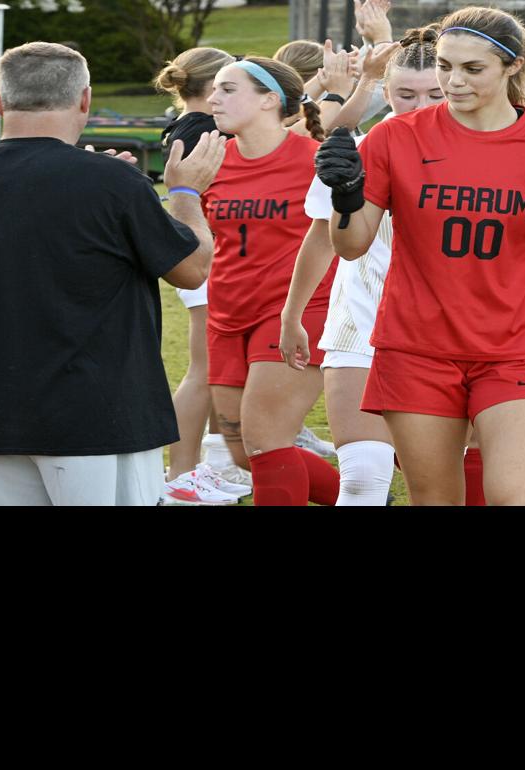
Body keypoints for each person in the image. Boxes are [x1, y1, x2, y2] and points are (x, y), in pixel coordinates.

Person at [320, 5, 525, 506]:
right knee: (435, 499)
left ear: (513, 66)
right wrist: (347, 196)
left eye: (472, 69)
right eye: (445, 65)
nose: (454, 81)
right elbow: (351, 246)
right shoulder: (396, 136)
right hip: (416, 348)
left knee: (510, 498)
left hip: (518, 346)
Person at [0, 41, 223, 505]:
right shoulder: (111, 182)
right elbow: (193, 270)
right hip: (100, 418)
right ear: (85, 99)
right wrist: (187, 193)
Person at [279, 30, 443, 506]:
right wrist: (292, 315)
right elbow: (320, 237)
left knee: (433, 482)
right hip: (359, 324)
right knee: (362, 480)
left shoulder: (485, 154)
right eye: (405, 94)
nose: (418, 105)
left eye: (433, 93)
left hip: (448, 335)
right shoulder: (356, 149)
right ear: (385, 92)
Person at [201, 54, 341, 506]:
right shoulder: (209, 160)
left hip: (294, 312)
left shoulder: (314, 159)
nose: (213, 98)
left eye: (227, 88)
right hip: (226, 315)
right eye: (214, 89)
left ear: (269, 100)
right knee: (245, 453)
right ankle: (362, 495)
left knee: (264, 440)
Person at [153, 46, 248, 498]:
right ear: (214, 87)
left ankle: (207, 465)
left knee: (217, 372)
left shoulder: (187, 125)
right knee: (205, 371)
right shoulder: (207, 129)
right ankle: (183, 471)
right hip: (211, 257)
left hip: (208, 255)